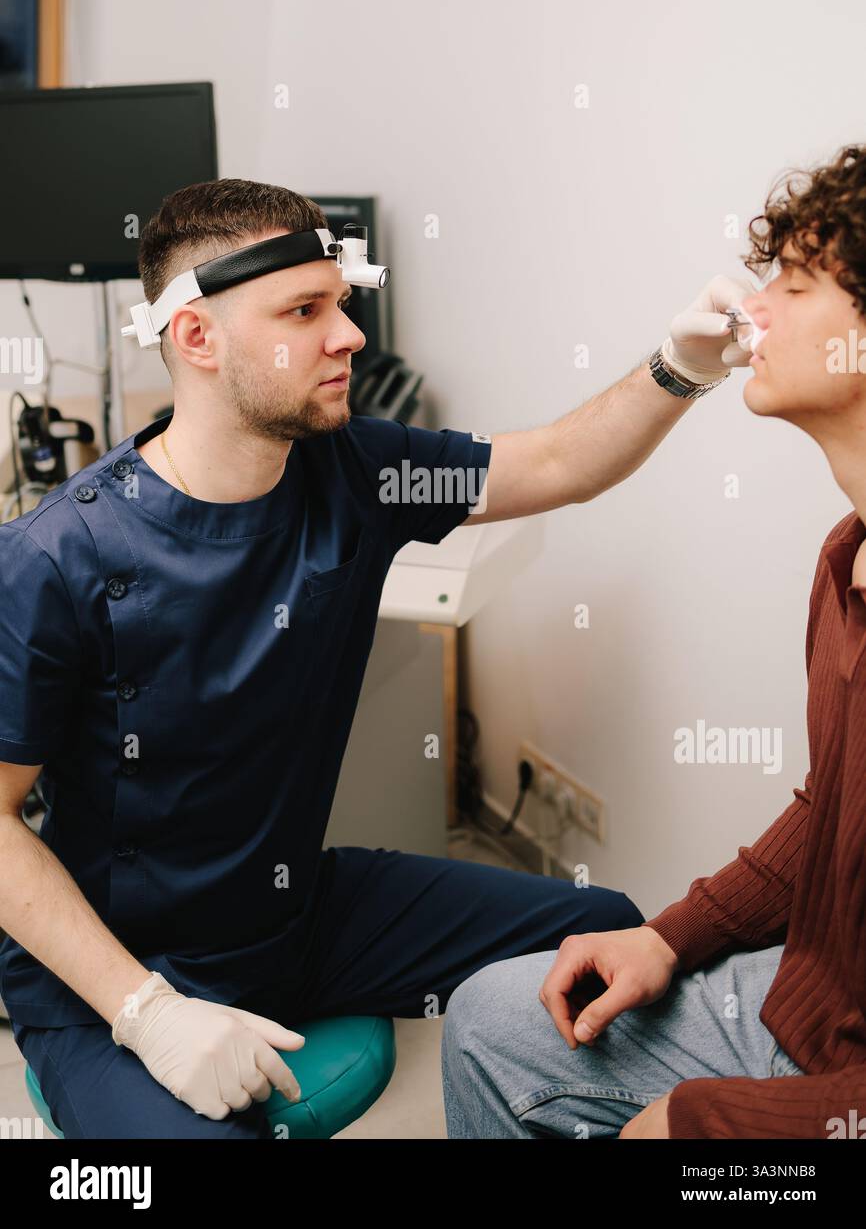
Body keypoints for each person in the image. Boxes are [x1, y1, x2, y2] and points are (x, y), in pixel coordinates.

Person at [0, 177, 745, 1139]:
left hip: (293, 915)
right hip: (121, 968)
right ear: (196, 337)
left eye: (341, 303)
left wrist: (681, 367)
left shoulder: (357, 470)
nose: (348, 334)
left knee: (609, 928)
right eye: (304, 311)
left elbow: (558, 463)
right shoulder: (56, 555)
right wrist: (149, 1015)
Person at [441, 143, 866, 1140]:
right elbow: (829, 814)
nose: (748, 313)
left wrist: (702, 1122)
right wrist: (665, 936)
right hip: (811, 996)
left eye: (792, 285)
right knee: (484, 1020)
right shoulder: (842, 558)